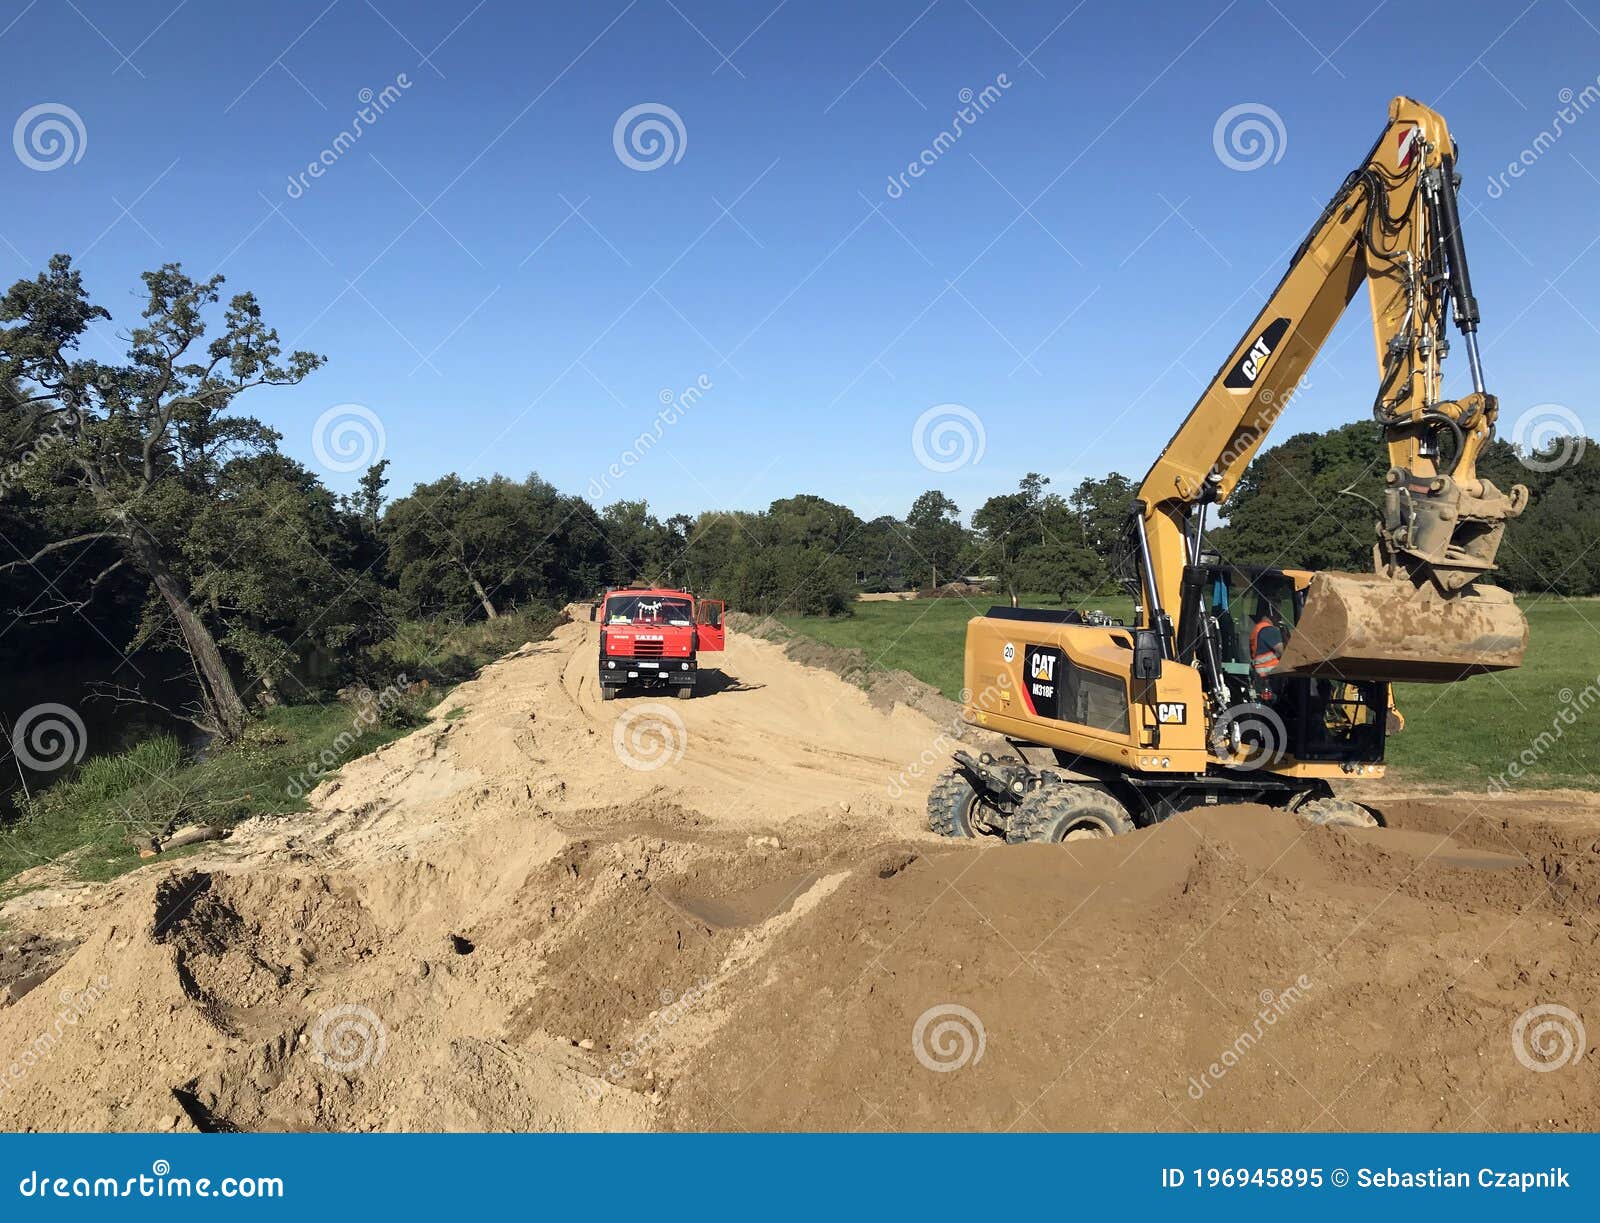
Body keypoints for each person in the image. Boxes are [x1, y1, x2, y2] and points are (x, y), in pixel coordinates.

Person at [1249, 601, 1286, 689]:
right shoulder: (1270, 630)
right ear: (1271, 612)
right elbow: (1284, 653)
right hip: (1271, 677)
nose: (1280, 616)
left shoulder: (1258, 628)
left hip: (1261, 675)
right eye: (1278, 611)